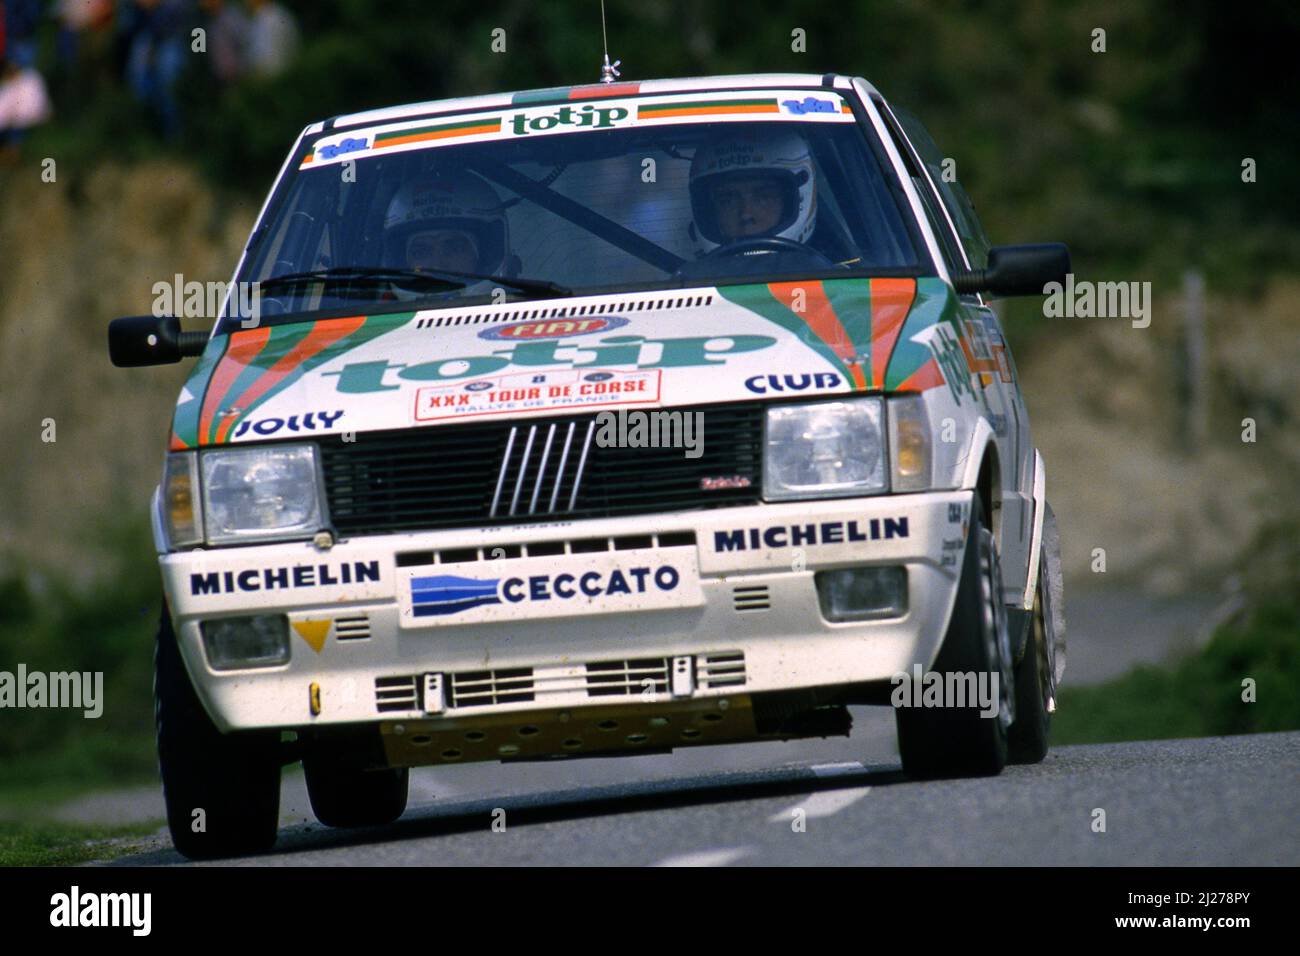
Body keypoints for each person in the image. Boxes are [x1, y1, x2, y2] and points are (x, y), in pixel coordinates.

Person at [378, 170, 513, 299]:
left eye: (454, 248)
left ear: (484, 255)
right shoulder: (374, 318)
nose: (437, 266)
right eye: (421, 252)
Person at [687, 127, 818, 254]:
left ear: (796, 200)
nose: (746, 214)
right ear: (710, 212)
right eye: (727, 200)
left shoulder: (831, 273)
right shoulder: (690, 276)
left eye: (764, 197)